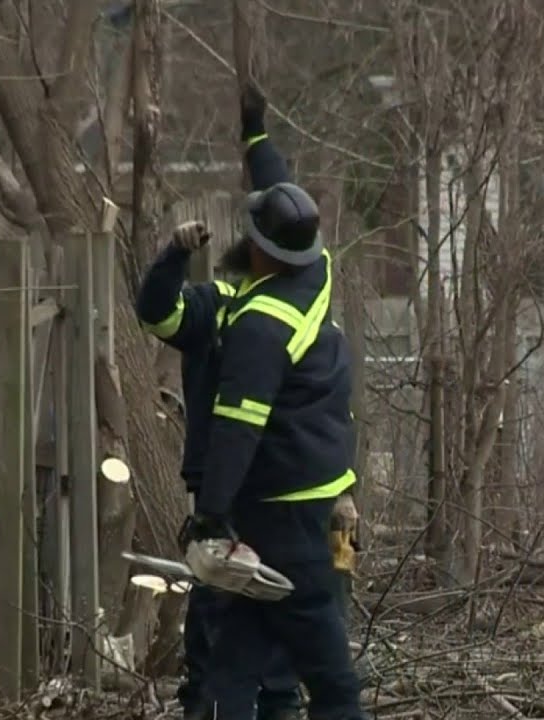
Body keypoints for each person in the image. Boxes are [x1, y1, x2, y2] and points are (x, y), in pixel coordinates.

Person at [174, 85, 367, 720]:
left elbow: (237, 426)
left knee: (328, 680)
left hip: (281, 518)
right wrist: (257, 136)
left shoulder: (260, 326)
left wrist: (210, 516)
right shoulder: (316, 272)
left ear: (258, 249)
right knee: (237, 655)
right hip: (318, 495)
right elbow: (286, 197)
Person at [133, 85, 312, 720]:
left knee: (272, 639)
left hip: (279, 492)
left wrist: (258, 133)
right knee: (220, 626)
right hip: (231, 499)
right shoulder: (220, 308)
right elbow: (155, 312)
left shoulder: (293, 296)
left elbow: (285, 205)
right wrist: (174, 255)